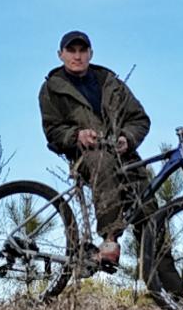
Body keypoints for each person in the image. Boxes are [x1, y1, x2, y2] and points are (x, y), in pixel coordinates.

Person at [38, 31, 153, 269]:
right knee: (102, 161)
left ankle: (170, 293)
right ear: (61, 55)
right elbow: (52, 131)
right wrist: (77, 136)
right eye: (72, 51)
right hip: (85, 156)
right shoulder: (52, 88)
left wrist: (127, 139)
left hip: (125, 157)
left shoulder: (110, 83)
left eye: (82, 51)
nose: (77, 56)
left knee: (151, 214)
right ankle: (109, 240)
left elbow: (139, 119)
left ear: (91, 53)